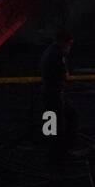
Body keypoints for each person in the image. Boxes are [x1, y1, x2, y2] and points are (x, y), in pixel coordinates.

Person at [39, 30, 78, 163]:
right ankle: (61, 153)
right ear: (64, 42)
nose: (70, 47)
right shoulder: (58, 55)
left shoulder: (48, 52)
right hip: (55, 94)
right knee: (63, 121)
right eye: (69, 44)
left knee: (50, 123)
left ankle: (49, 152)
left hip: (46, 93)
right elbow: (64, 76)